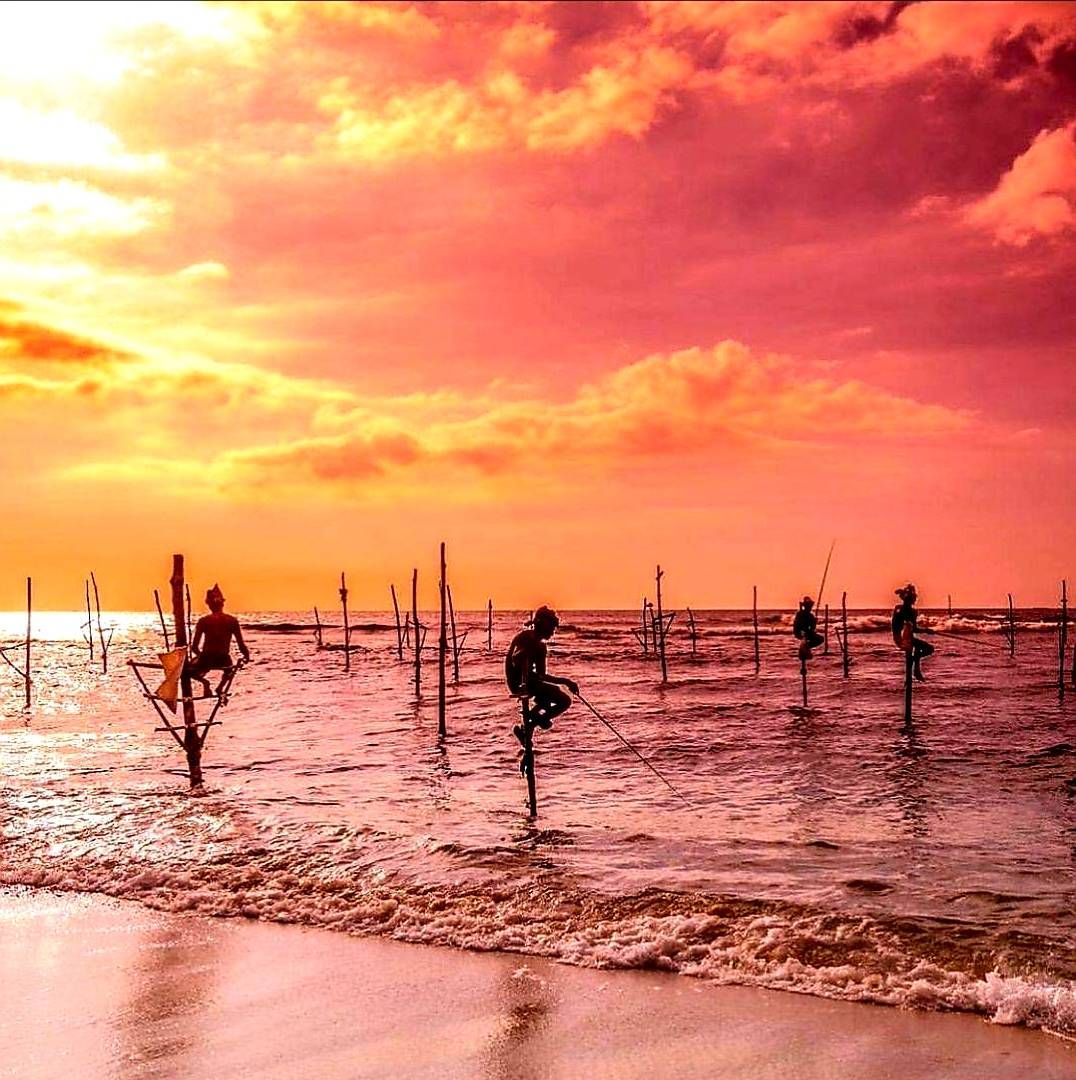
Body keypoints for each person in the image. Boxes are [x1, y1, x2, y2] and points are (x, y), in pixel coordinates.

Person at [505, 606, 577, 745]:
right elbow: (515, 658)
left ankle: (528, 728)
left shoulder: (539, 645)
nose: (553, 632)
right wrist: (565, 682)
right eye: (552, 628)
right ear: (543, 625)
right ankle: (535, 720)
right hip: (519, 683)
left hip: (527, 682)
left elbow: (542, 675)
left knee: (548, 699)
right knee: (564, 700)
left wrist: (565, 682)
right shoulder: (526, 638)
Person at [188, 584, 250, 696]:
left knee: (187, 672)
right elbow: (241, 645)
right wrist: (247, 656)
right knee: (229, 671)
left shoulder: (204, 621)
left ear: (209, 605)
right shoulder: (232, 621)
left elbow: (194, 647)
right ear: (222, 604)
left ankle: (205, 683)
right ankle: (220, 687)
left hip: (207, 658)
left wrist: (200, 657)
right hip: (223, 658)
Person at [892, 583, 934, 682]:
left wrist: (926, 630)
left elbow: (914, 628)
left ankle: (915, 666)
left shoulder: (911, 611)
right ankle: (915, 666)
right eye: (913, 599)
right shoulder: (899, 609)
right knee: (927, 648)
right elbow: (899, 627)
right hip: (901, 639)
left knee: (927, 649)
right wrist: (926, 631)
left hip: (908, 638)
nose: (914, 601)